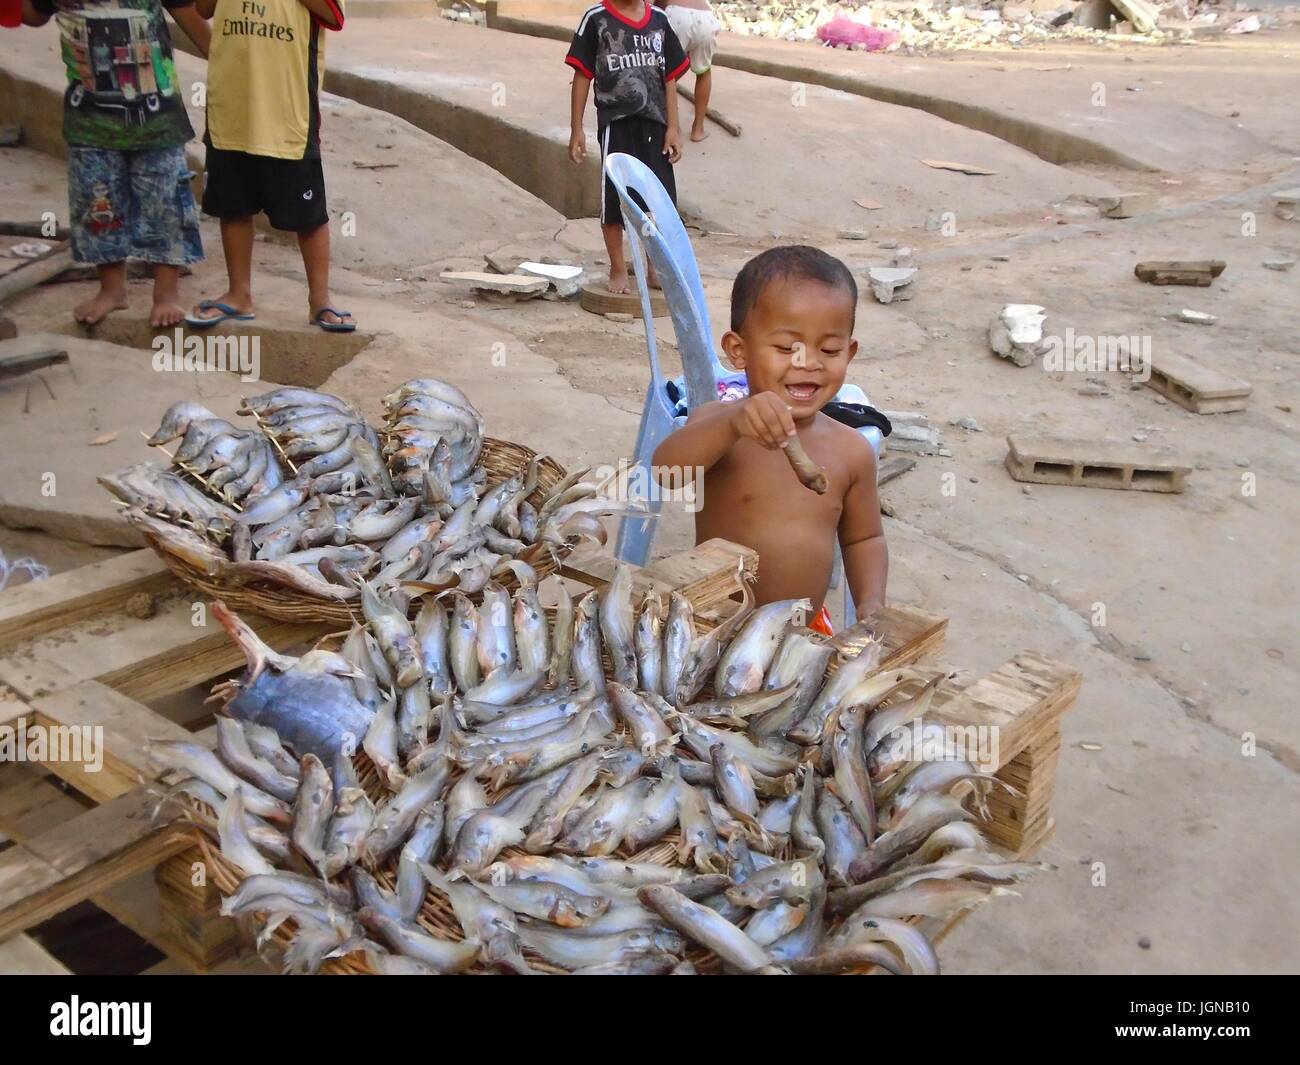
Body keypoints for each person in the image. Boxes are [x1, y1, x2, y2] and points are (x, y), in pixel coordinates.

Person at [651, 246, 887, 634]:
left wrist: (871, 602)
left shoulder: (851, 450)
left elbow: (865, 539)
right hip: (711, 626)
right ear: (738, 350)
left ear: (850, 352)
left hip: (802, 633)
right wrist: (732, 425)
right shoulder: (719, 423)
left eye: (829, 349)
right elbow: (667, 472)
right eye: (785, 348)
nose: (808, 362)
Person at [19, 0, 210, 327]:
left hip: (158, 122)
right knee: (98, 206)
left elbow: (198, 30)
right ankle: (112, 289)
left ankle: (166, 294)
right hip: (90, 122)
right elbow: (29, 16)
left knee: (164, 206)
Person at [186, 0, 356, 332]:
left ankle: (320, 300)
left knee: (308, 214)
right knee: (233, 205)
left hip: (287, 112)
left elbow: (333, 14)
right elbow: (204, 9)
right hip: (232, 104)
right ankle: (239, 294)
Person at [566, 0, 688, 295]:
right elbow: (582, 75)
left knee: (657, 202)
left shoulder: (659, 20)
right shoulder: (596, 19)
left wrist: (673, 127)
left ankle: (653, 267)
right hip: (616, 124)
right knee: (614, 199)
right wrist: (577, 127)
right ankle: (618, 266)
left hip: (656, 125)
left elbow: (669, 78)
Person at [656, 0, 719, 143]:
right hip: (707, 17)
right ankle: (698, 129)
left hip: (677, 15)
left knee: (666, 72)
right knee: (704, 71)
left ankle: (674, 127)